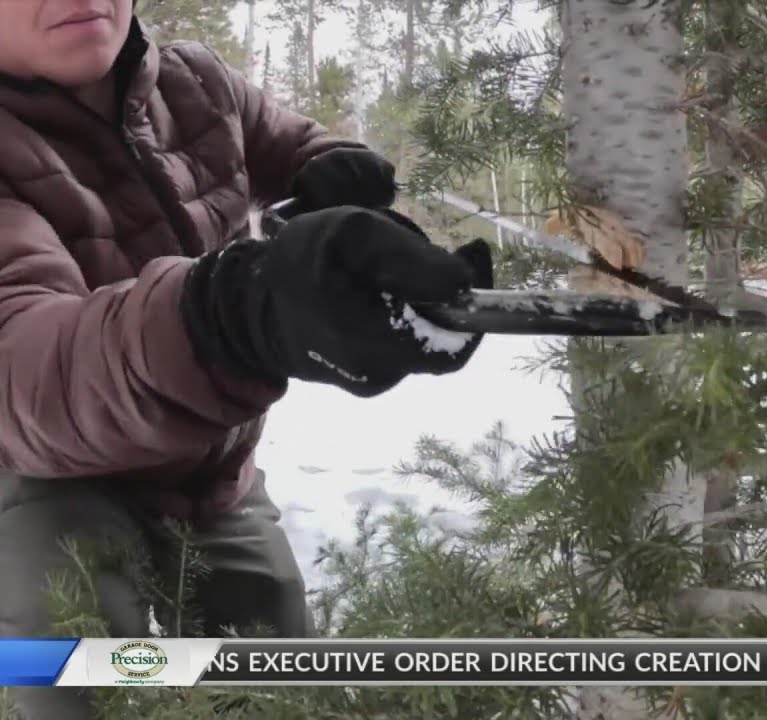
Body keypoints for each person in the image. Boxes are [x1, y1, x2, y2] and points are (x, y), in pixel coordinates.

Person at [0, 1, 493, 716]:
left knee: (276, 678)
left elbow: (288, 139)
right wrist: (229, 315)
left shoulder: (196, 82)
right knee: (72, 678)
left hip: (217, 472)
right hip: (43, 485)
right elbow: (21, 369)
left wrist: (328, 169)